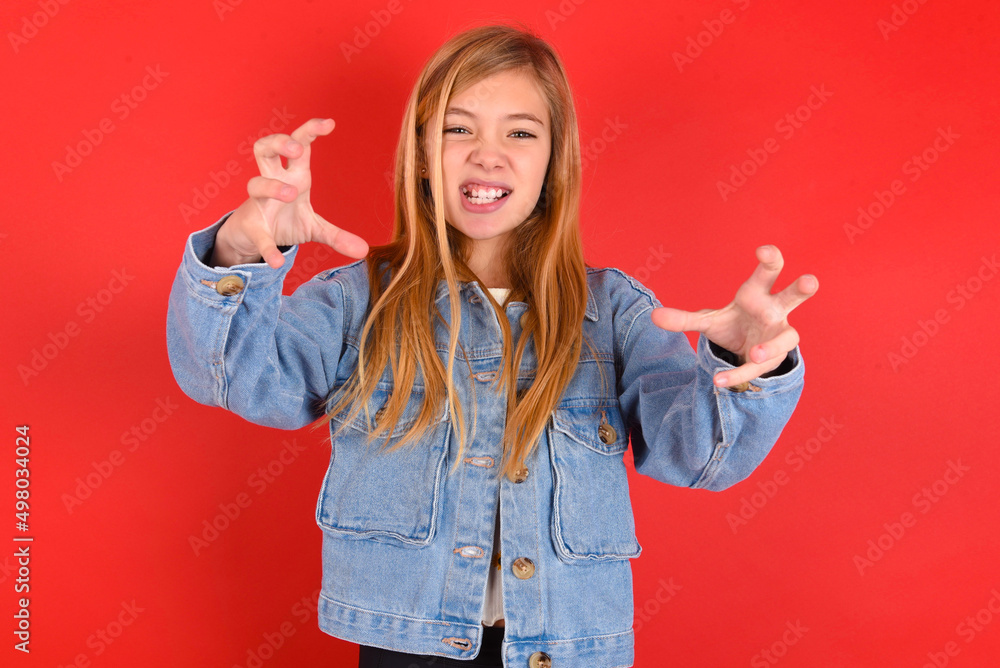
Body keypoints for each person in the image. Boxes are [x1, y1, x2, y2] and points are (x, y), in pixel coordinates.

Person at [166, 22, 817, 668]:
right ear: (422, 153)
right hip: (408, 648)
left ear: (552, 160)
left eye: (520, 132)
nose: (488, 152)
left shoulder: (613, 311)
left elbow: (699, 456)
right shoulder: (356, 299)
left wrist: (744, 361)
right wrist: (241, 250)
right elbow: (228, 376)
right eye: (459, 128)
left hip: (568, 651)